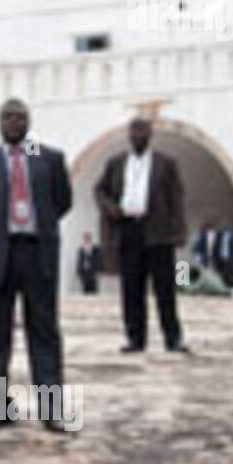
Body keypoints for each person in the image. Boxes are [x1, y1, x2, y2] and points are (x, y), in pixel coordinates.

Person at [0, 98, 72, 430]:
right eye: (8, 117)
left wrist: (42, 226)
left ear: (29, 121)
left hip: (37, 254)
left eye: (20, 117)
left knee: (45, 333)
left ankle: (51, 410)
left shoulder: (45, 158)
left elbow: (62, 201)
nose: (14, 122)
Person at [95, 117, 190, 354]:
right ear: (128, 135)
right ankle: (135, 339)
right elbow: (99, 190)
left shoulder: (166, 163)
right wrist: (110, 208)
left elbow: (176, 198)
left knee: (165, 289)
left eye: (143, 131)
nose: (138, 136)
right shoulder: (116, 163)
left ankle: (173, 338)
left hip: (158, 232)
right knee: (131, 289)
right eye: (134, 131)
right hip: (128, 230)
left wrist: (179, 230)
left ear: (150, 135)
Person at [215, 223, 233, 289]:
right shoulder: (219, 236)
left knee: (232, 277)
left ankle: (232, 289)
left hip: (232, 260)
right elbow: (215, 249)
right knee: (222, 277)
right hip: (221, 259)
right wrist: (215, 260)